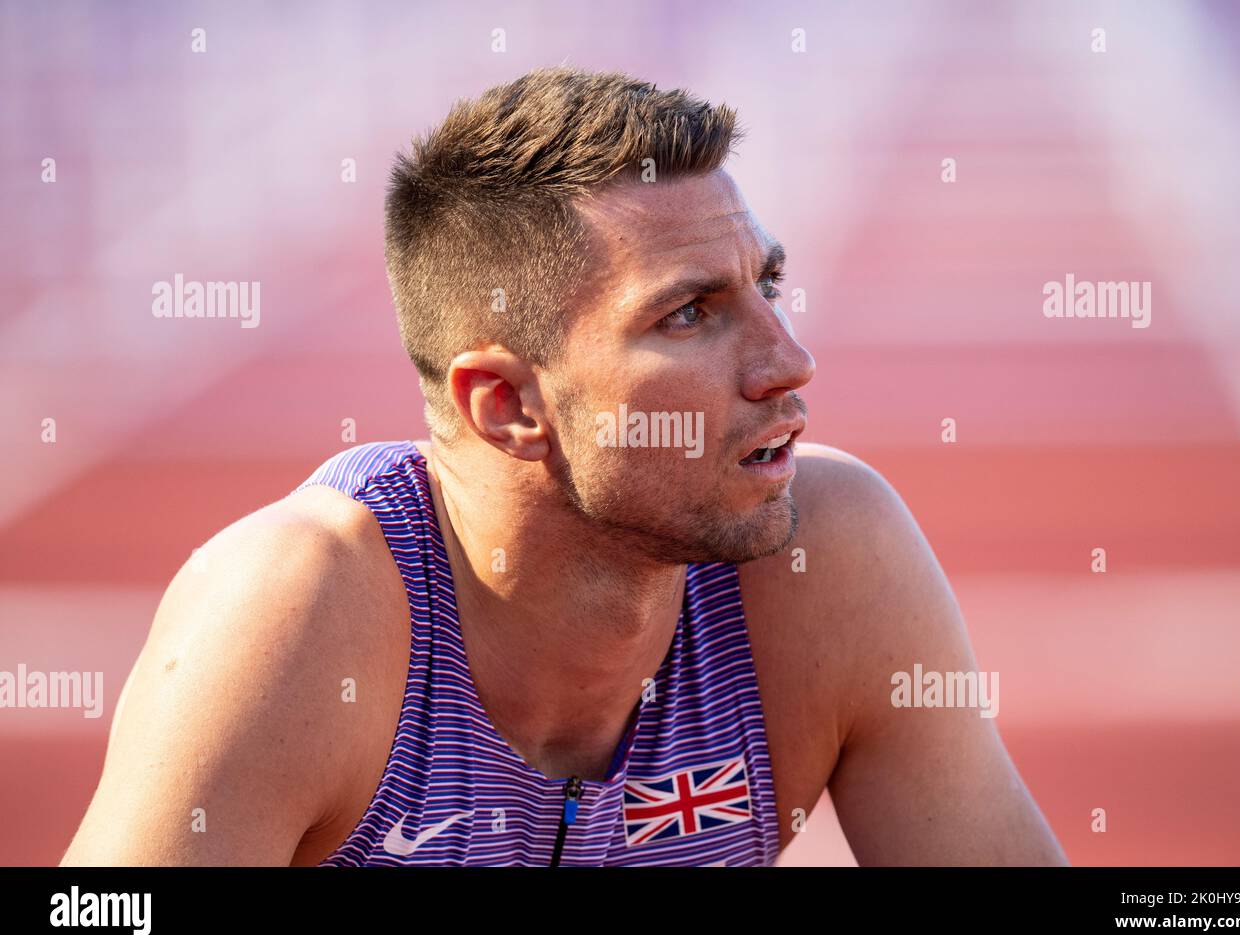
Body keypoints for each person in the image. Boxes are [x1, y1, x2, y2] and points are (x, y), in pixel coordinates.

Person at [62, 66, 1066, 866]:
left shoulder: (825, 557)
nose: (789, 361)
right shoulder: (297, 611)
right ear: (506, 406)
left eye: (769, 284)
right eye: (690, 313)